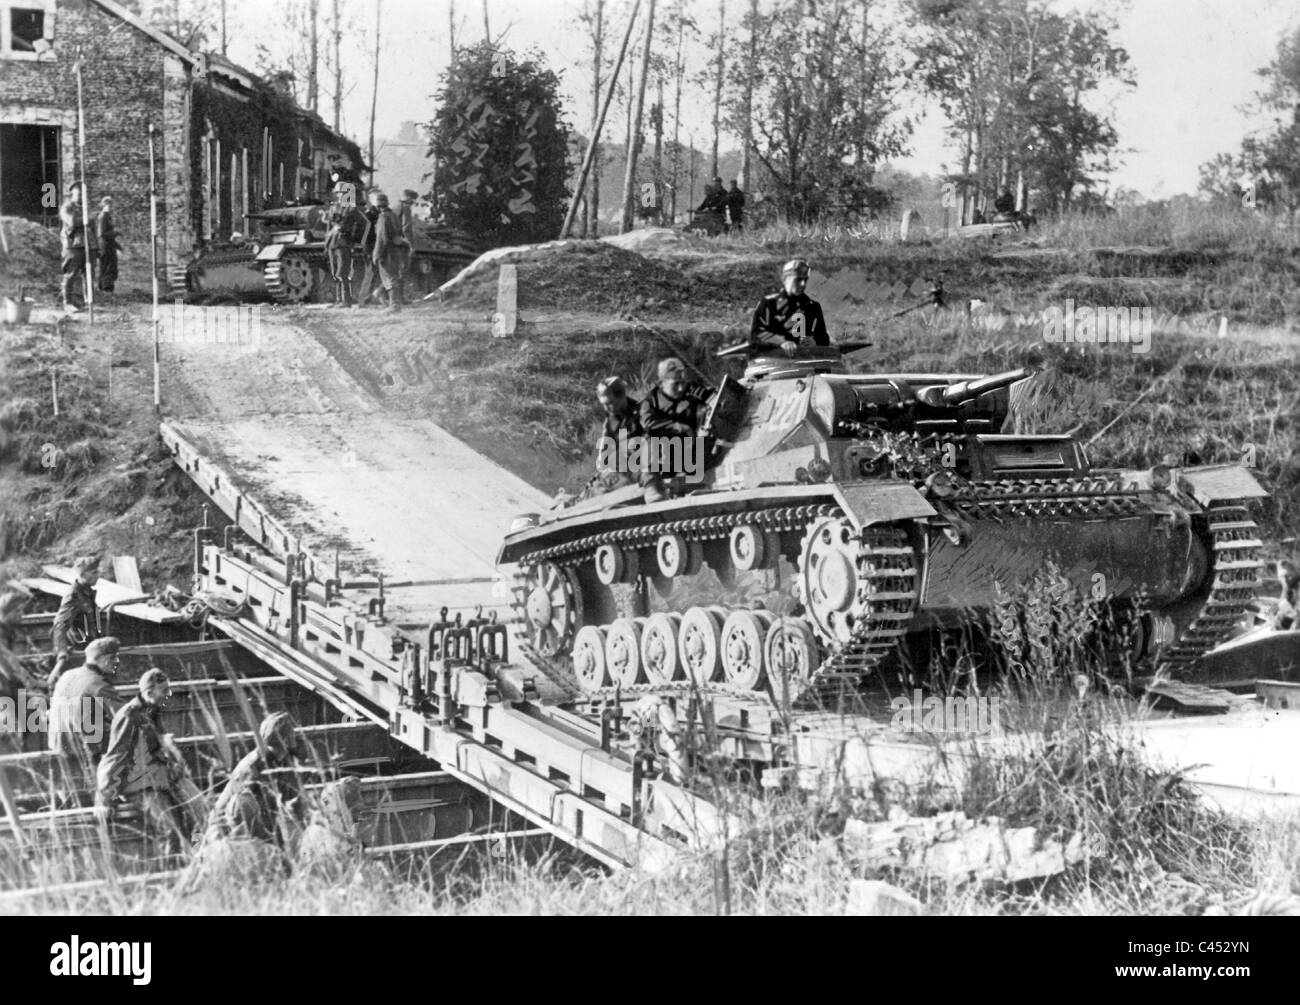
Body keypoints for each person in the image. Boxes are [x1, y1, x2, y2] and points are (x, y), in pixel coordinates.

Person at [94, 669, 204, 848]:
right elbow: (115, 756)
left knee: (202, 815)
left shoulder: (152, 710)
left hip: (163, 776)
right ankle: (174, 868)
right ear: (149, 692)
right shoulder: (129, 716)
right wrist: (106, 797)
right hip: (142, 784)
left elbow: (159, 743)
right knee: (169, 833)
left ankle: (199, 852)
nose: (168, 694)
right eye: (164, 690)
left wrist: (174, 760)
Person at [206, 711, 310, 847]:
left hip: (262, 820)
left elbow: (293, 799)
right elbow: (239, 810)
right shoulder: (253, 767)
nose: (295, 737)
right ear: (284, 740)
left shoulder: (284, 758)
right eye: (291, 734)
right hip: (230, 829)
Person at [49, 636, 124, 788]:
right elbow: (125, 717)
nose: (117, 661)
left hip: (58, 747)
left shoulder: (67, 675)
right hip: (85, 751)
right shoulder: (98, 684)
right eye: (113, 657)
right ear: (102, 660)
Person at [639, 358, 714, 503]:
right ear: (662, 383)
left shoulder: (692, 390)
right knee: (648, 440)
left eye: (682, 383)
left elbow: (715, 398)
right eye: (675, 384)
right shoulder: (651, 401)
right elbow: (648, 423)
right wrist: (679, 427)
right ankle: (652, 485)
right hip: (667, 459)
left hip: (696, 453)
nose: (681, 388)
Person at [750, 259, 830, 356]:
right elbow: (757, 334)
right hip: (776, 361)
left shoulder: (813, 306)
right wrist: (782, 342)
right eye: (798, 279)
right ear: (785, 279)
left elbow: (824, 339)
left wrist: (815, 342)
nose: (803, 284)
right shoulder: (769, 304)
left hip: (807, 360)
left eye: (805, 279)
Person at [48, 556, 100, 688]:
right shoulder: (74, 595)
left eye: (97, 571)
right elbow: (60, 625)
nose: (98, 575)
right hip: (80, 651)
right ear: (83, 575)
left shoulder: (87, 592)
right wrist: (61, 654)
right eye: (94, 573)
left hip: (90, 648)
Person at [593, 376, 643, 490]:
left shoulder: (643, 413)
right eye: (604, 405)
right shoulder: (611, 422)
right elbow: (603, 456)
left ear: (622, 396)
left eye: (610, 403)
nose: (606, 408)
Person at [323, 201, 367, 308]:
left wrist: (352, 237)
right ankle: (339, 300)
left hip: (343, 243)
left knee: (342, 273)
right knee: (335, 273)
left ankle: (346, 301)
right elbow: (329, 225)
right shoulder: (333, 207)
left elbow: (362, 223)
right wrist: (326, 243)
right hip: (332, 243)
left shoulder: (351, 208)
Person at [59, 182, 91, 312]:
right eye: (79, 193)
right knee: (70, 274)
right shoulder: (67, 207)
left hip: (85, 244)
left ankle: (86, 301)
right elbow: (71, 222)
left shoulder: (83, 207)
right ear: (73, 192)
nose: (82, 196)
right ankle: (67, 302)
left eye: (84, 193)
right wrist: (85, 219)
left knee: (86, 273)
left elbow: (91, 224)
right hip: (72, 245)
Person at [372, 191, 405, 312]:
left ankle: (394, 305)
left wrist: (376, 254)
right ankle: (380, 293)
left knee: (389, 276)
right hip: (396, 249)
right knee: (392, 275)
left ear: (377, 205)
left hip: (387, 251)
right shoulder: (394, 215)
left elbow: (381, 238)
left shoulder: (382, 217)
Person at [352, 189, 383, 308]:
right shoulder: (369, 214)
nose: (378, 201)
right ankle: (363, 301)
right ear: (370, 200)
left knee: (374, 274)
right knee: (370, 274)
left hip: (375, 247)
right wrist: (368, 249)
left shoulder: (376, 213)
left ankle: (368, 299)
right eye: (375, 198)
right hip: (371, 248)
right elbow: (363, 233)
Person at [95, 196, 121, 294]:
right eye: (107, 204)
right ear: (103, 205)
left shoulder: (107, 216)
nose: (109, 206)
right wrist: (115, 232)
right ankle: (106, 289)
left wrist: (118, 246)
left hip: (109, 245)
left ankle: (103, 288)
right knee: (108, 266)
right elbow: (101, 233)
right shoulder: (103, 216)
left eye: (110, 204)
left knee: (107, 266)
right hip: (105, 245)